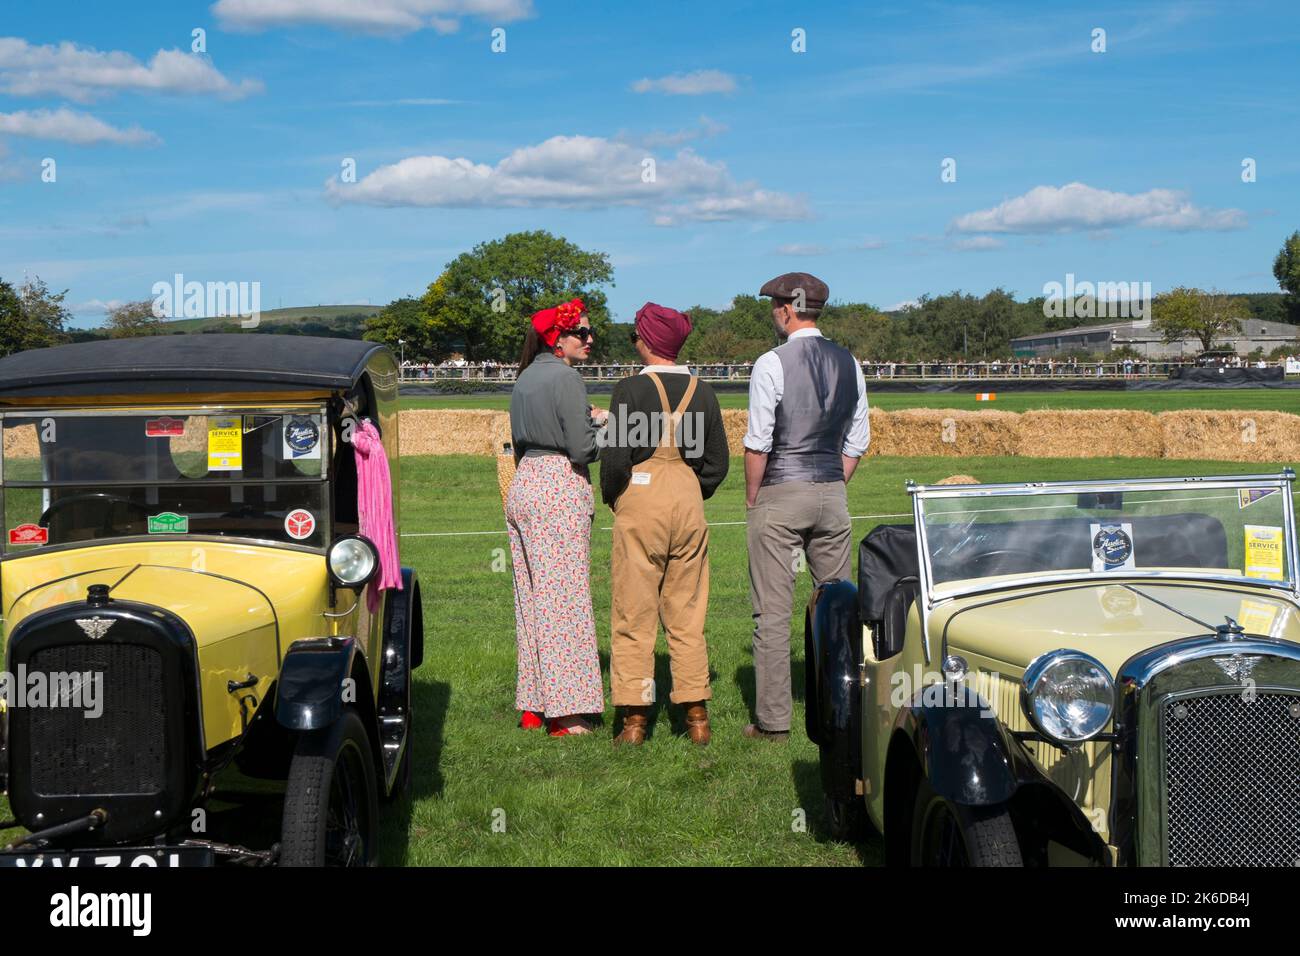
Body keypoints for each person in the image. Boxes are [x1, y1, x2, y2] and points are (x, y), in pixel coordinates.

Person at [743, 272, 870, 741]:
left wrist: (754, 498)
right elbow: (858, 441)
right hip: (833, 493)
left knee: (772, 613)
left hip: (780, 491)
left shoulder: (770, 363)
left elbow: (758, 443)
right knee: (836, 611)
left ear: (786, 309)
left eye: (773, 306)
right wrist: (832, 482)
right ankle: (846, 715)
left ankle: (774, 722)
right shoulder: (850, 363)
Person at [600, 303, 729, 746]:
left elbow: (614, 458)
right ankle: (697, 719)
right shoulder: (705, 392)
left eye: (637, 335)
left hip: (641, 499)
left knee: (633, 614)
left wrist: (620, 496)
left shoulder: (629, 391)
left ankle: (634, 723)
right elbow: (717, 463)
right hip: (688, 501)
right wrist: (692, 491)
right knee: (688, 613)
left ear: (648, 342)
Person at [505, 298, 608, 737]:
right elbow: (582, 449)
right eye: (581, 333)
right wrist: (603, 427)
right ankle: (565, 715)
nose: (590, 339)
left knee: (531, 602)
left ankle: (534, 705)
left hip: (525, 483)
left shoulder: (525, 379)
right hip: (557, 487)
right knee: (563, 600)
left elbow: (521, 441)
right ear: (558, 339)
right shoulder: (567, 378)